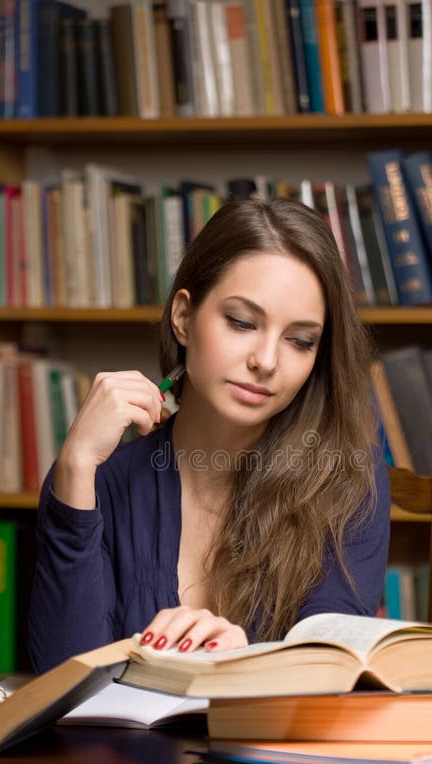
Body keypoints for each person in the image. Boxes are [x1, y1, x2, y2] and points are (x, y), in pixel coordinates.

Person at [28, 197, 390, 674]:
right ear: (183, 317)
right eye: (242, 322)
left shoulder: (346, 482)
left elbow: (326, 672)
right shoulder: (99, 483)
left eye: (300, 340)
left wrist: (243, 661)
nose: (266, 360)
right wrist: (74, 466)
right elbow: (59, 684)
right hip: (117, 751)